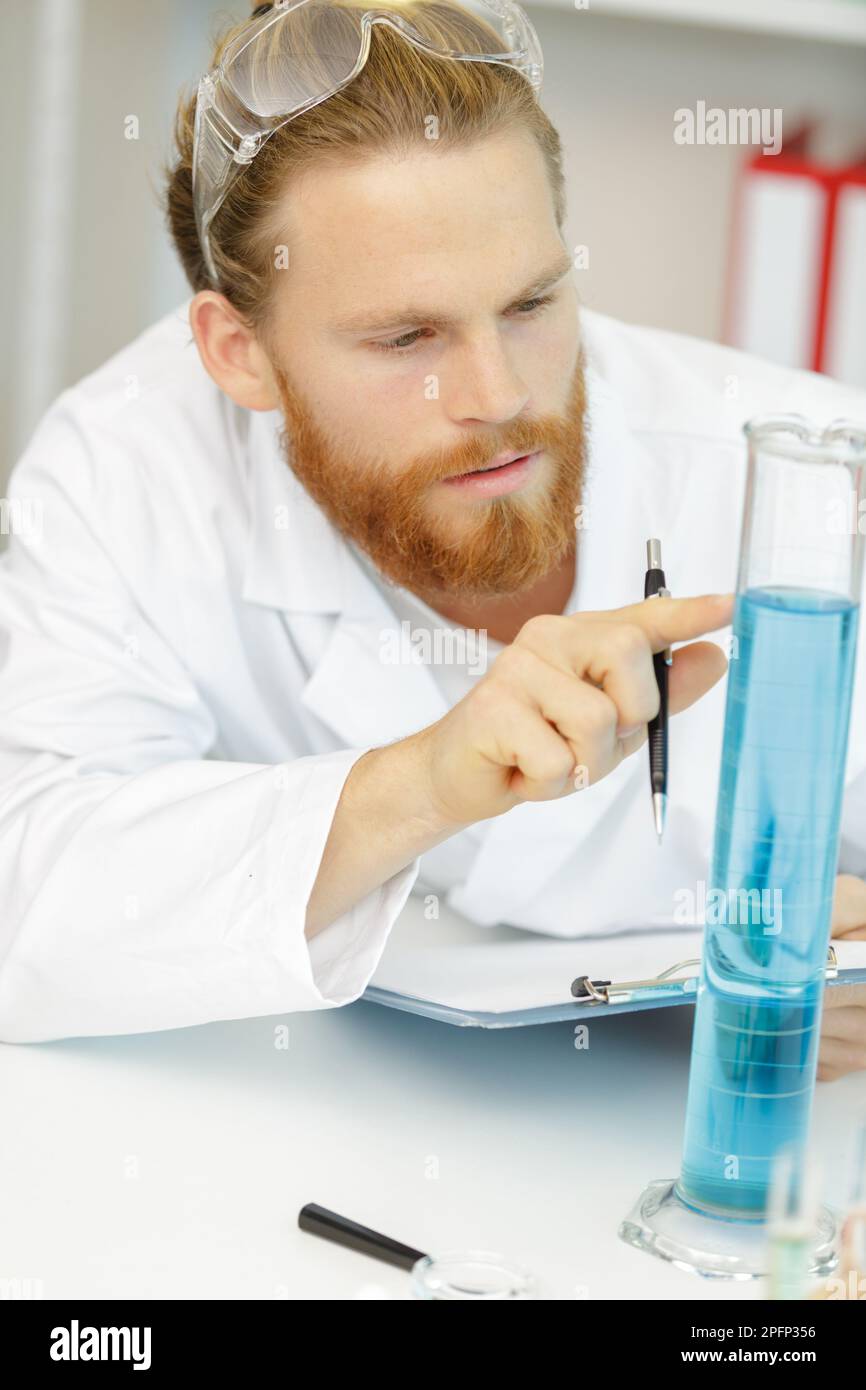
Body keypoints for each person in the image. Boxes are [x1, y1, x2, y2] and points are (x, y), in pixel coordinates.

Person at [1, 1, 865, 1068]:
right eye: (406, 335)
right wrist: (419, 784)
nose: (497, 396)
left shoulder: (808, 477)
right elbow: (26, 891)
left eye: (530, 303)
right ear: (238, 353)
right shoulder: (130, 466)